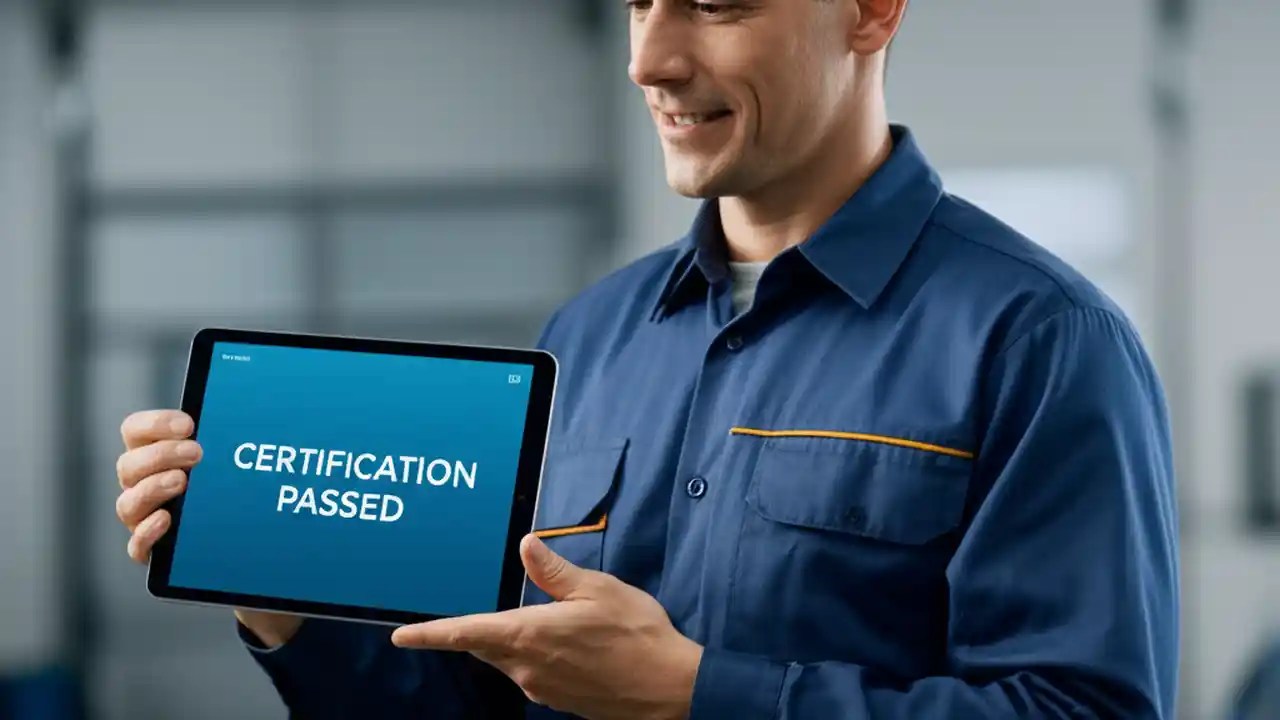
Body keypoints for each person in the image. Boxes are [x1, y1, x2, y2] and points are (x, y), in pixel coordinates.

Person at [113, 0, 1180, 717]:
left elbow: (1078, 708)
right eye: (637, 1)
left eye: (715, 3)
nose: (648, 60)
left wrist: (697, 693)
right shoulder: (588, 334)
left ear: (868, 10)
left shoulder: (1038, 338)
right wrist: (273, 590)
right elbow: (491, 694)